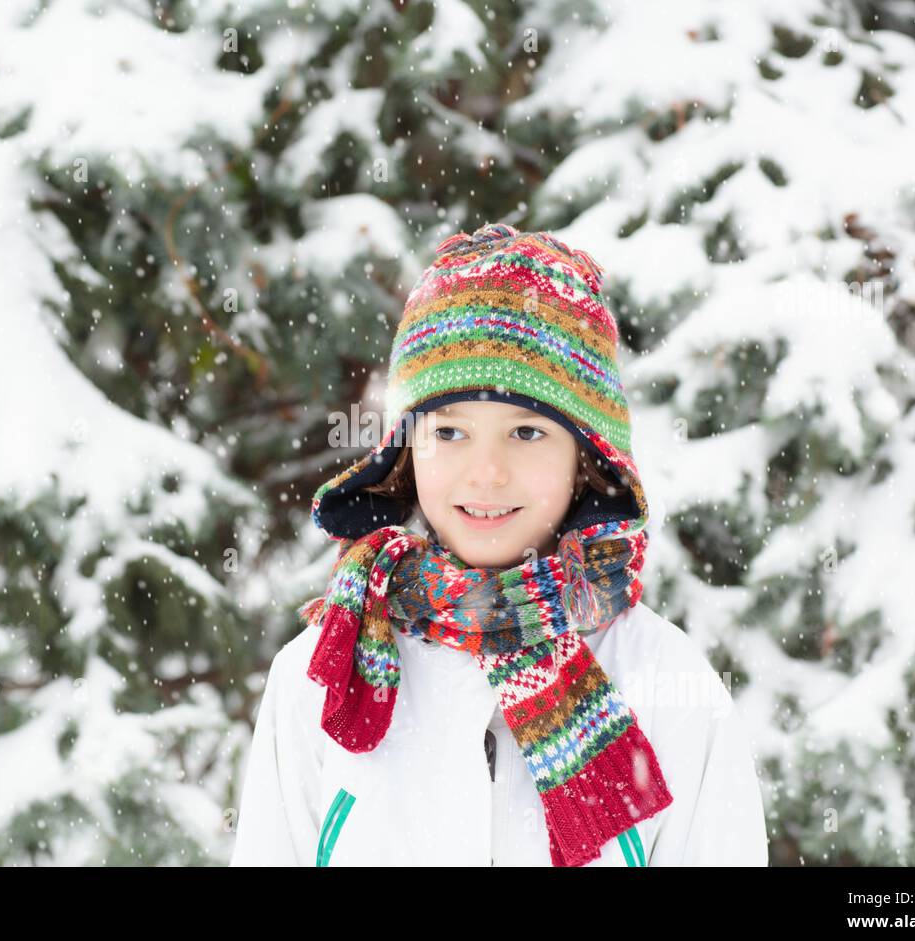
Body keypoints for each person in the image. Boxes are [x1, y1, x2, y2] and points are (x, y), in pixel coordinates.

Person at [229, 223, 768, 866]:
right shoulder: (326, 673)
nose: (486, 472)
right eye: (451, 432)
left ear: (588, 458)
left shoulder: (665, 682)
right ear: (406, 450)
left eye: (528, 432)